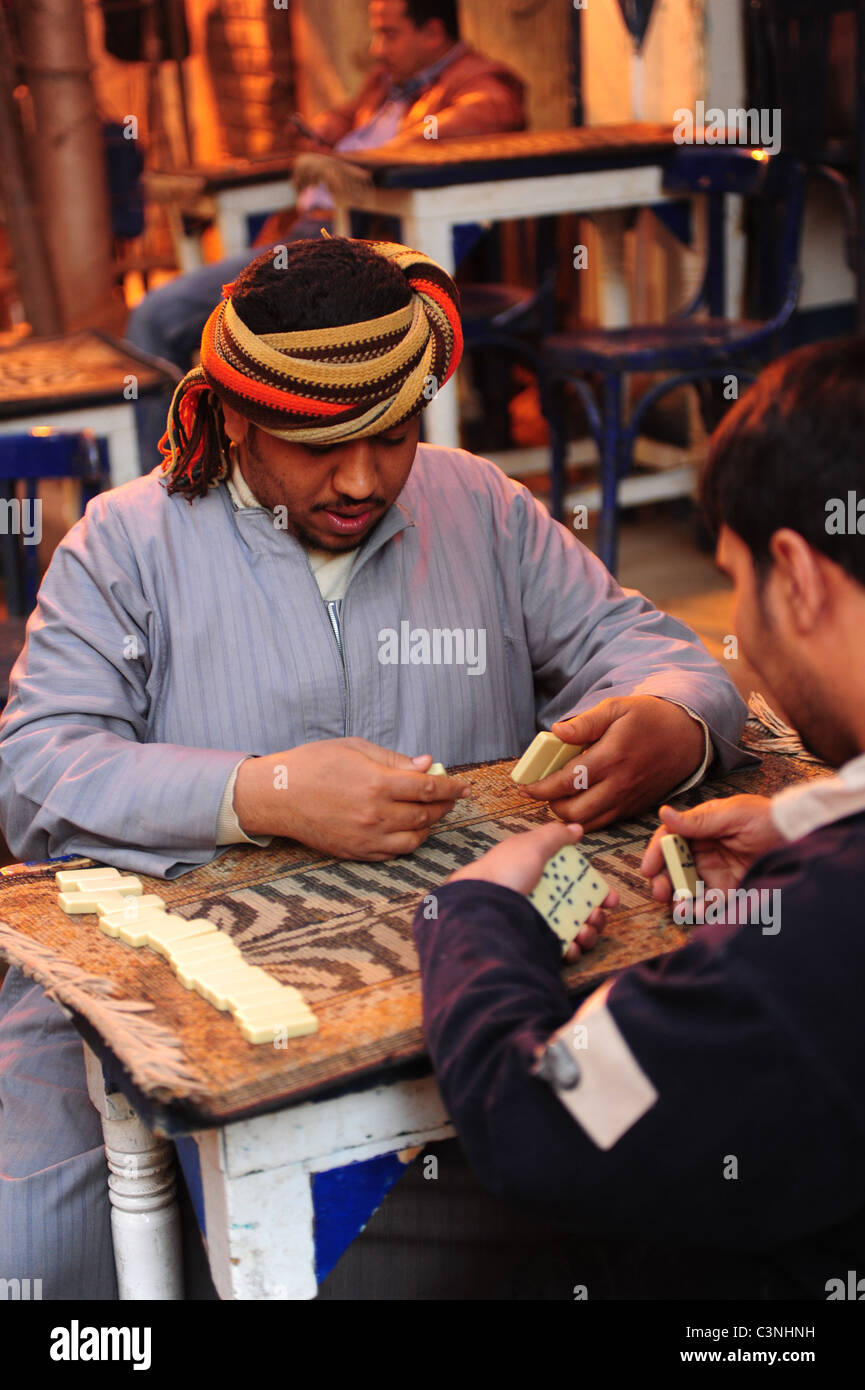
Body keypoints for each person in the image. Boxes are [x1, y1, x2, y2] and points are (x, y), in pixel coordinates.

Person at [0, 236, 747, 1299]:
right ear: (238, 417)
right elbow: (35, 773)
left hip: (445, 973)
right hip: (161, 975)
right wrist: (266, 793)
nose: (362, 478)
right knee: (31, 1253)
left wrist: (671, 719)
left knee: (634, 1178)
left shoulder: (477, 504)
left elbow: (655, 650)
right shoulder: (128, 543)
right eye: (317, 444)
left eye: (392, 437)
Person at [409, 335, 865, 1300]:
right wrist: (807, 830)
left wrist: (477, 917)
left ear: (798, 574)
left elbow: (546, 1120)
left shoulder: (824, 924)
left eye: (737, 580)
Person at [126, 0, 526, 468]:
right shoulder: (387, 85)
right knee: (173, 322)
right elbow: (342, 119)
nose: (377, 49)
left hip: (351, 256)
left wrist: (365, 158)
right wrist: (328, 132)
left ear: (433, 32)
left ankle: (172, 479)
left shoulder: (484, 82)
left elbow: (486, 114)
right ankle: (198, 470)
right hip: (307, 242)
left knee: (158, 317)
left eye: (389, 33)